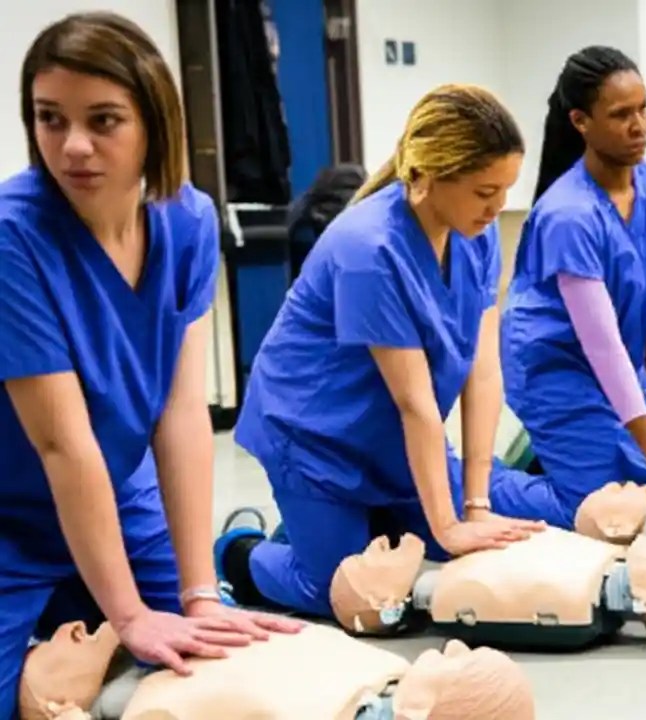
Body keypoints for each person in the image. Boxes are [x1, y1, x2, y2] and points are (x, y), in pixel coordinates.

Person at [0, 11, 299, 716]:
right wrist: (130, 617)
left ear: (152, 126)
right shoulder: (15, 237)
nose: (72, 146)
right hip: (11, 512)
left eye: (103, 121)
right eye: (50, 119)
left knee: (224, 647)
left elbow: (180, 413)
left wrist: (196, 591)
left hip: (121, 495)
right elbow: (60, 444)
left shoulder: (187, 221)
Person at [214, 84, 543, 621]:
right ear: (426, 179)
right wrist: (447, 523)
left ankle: (354, 523)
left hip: (391, 436)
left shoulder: (475, 234)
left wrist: (474, 506)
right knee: (343, 592)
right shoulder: (370, 248)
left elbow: (483, 373)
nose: (498, 207)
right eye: (486, 191)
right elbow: (415, 402)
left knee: (467, 541)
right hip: (317, 438)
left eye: (505, 189)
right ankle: (240, 551)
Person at [495, 46, 646, 531]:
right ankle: (474, 484)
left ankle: (573, 451)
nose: (640, 126)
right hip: (556, 367)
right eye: (621, 114)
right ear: (581, 122)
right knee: (596, 510)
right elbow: (601, 342)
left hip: (618, 369)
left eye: (645, 109)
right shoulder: (568, 213)